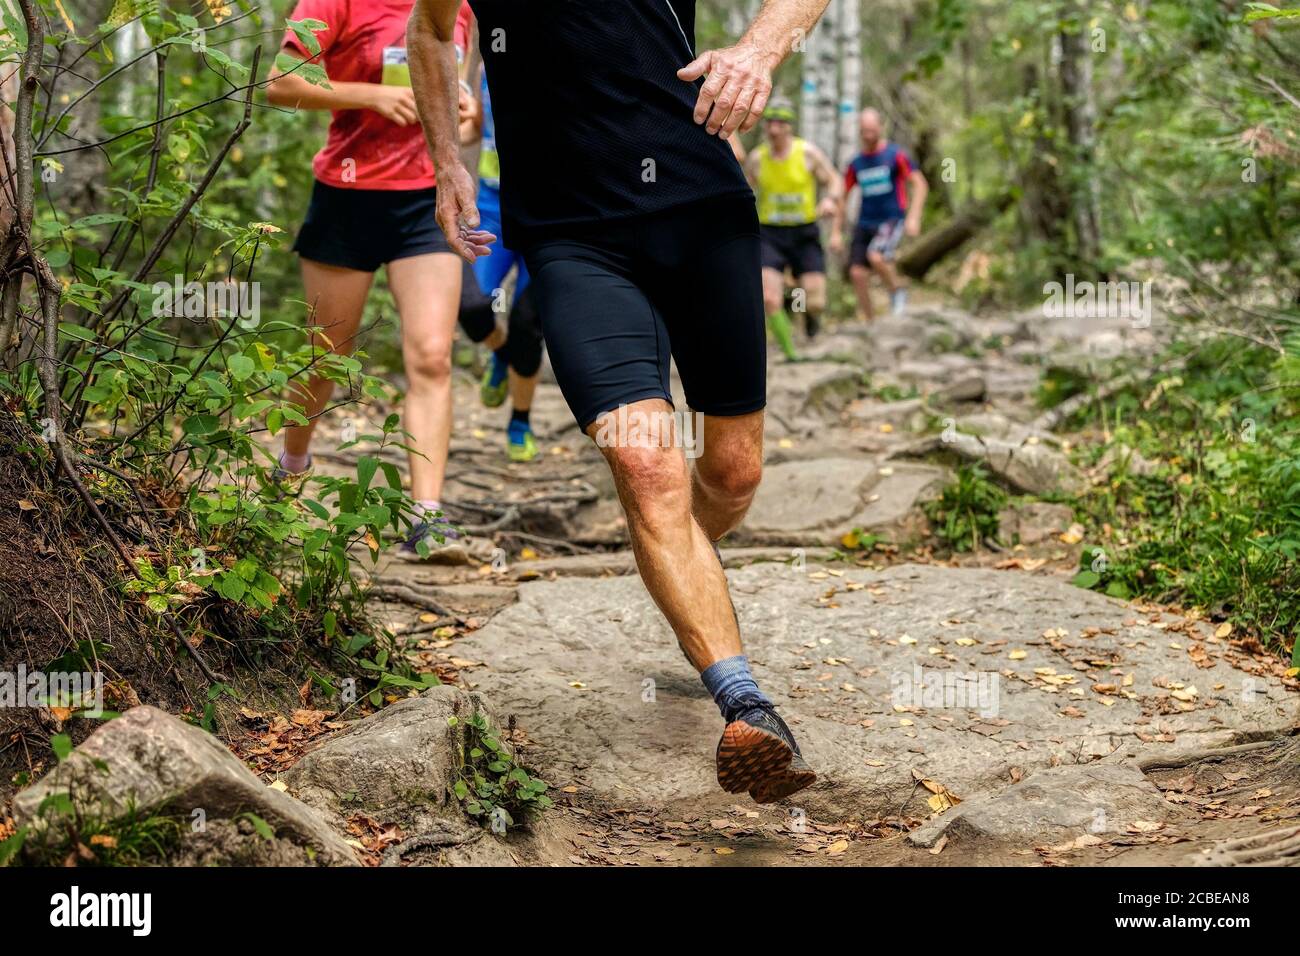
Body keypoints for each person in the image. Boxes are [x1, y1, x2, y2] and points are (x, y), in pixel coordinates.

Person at [408, 0, 832, 803]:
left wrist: (759, 49)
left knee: (733, 475)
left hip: (703, 210)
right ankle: (745, 704)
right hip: (573, 238)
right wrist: (445, 162)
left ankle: (680, 572)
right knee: (648, 465)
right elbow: (429, 32)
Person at [266, 0, 489, 558]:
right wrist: (372, 94)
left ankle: (427, 518)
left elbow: (466, 109)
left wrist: (463, 111)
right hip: (347, 197)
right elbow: (279, 85)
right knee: (326, 357)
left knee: (432, 355)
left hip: (426, 200)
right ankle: (291, 469)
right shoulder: (334, 2)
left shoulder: (455, 7)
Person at [743, 100, 841, 360]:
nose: (774, 129)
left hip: (804, 233)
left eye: (780, 123)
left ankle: (810, 317)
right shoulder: (757, 159)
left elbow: (834, 180)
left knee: (816, 300)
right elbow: (742, 192)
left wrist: (830, 199)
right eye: (770, 123)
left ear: (789, 126)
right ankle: (792, 354)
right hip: (770, 234)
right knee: (769, 297)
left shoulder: (807, 153)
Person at [831, 108, 928, 319]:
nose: (868, 136)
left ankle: (897, 292)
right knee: (857, 274)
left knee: (876, 256)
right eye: (864, 131)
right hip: (865, 221)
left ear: (880, 128)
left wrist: (914, 217)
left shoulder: (895, 155)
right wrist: (836, 232)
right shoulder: (855, 164)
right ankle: (871, 323)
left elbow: (920, 184)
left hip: (892, 218)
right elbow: (843, 198)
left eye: (872, 130)